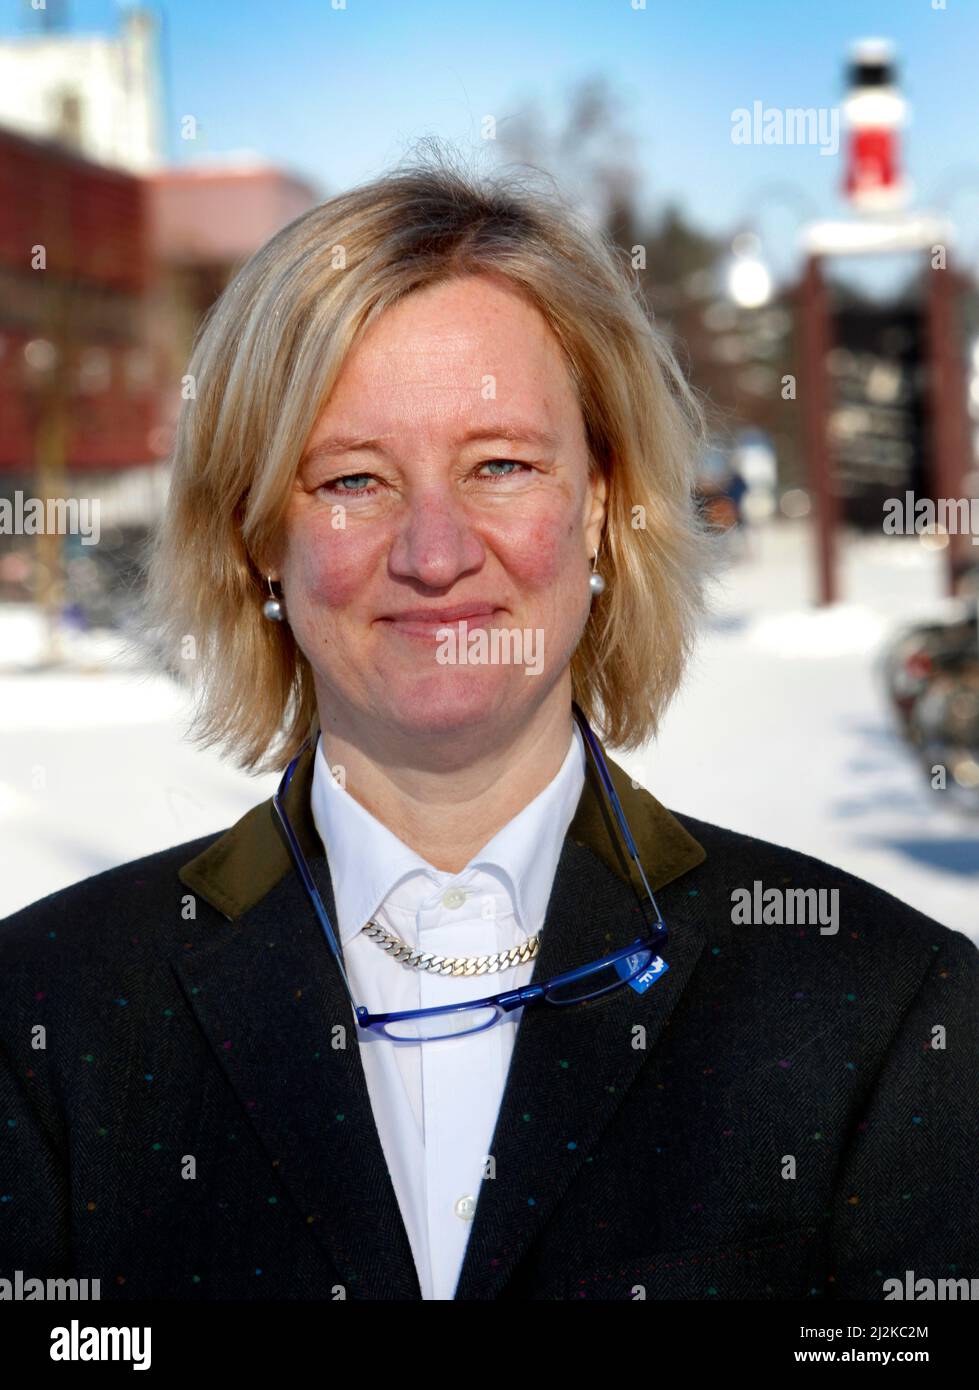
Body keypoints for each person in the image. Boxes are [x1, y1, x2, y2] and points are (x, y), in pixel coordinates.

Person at [1, 149, 976, 1303]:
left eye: (501, 464)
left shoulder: (882, 1010)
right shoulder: (43, 1018)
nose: (434, 553)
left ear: (605, 501)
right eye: (351, 480)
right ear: (261, 535)